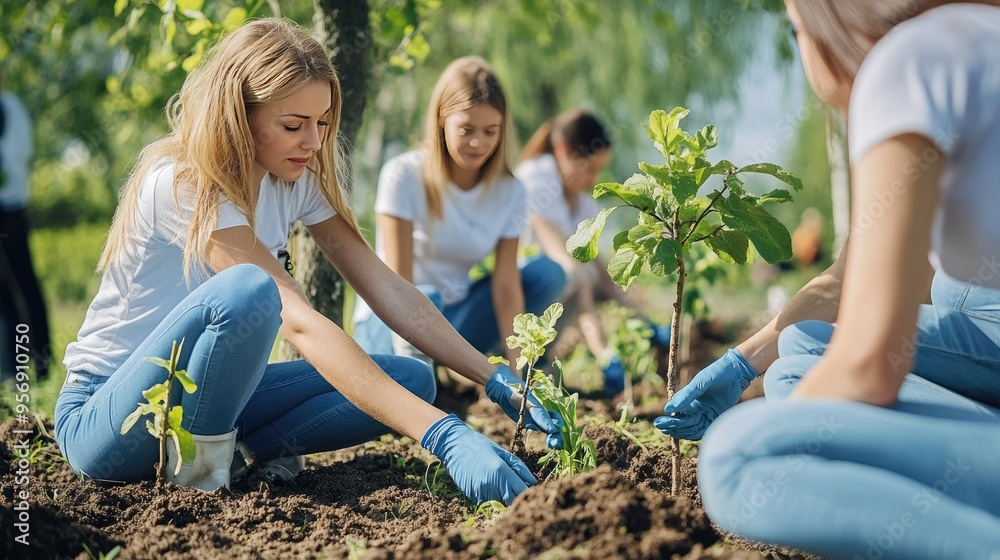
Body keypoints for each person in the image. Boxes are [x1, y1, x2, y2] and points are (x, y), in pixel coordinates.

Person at [53, 19, 564, 506]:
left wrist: (495, 376)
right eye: (294, 124)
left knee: (413, 381)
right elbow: (296, 320)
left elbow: (385, 287)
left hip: (207, 401)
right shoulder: (184, 182)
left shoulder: (291, 178)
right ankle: (202, 478)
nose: (315, 142)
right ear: (239, 114)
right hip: (110, 420)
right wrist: (444, 435)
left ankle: (233, 450)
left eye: (322, 123)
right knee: (249, 291)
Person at [656, 1, 1000, 557]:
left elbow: (869, 369)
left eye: (795, 30)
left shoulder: (906, 62)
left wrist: (784, 432)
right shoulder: (974, 38)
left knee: (738, 455)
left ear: (828, 21)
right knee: (800, 353)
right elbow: (853, 276)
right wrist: (744, 364)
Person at [351, 56, 566, 369]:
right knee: (424, 301)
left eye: (490, 132)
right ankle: (418, 374)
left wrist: (522, 377)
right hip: (389, 317)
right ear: (441, 120)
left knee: (548, 274)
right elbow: (400, 284)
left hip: (454, 319)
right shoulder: (403, 175)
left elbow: (506, 287)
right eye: (466, 129)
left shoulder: (511, 192)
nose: (477, 143)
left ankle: (443, 367)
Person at [516, 109, 668, 396]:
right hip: (521, 297)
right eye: (588, 168)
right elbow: (574, 270)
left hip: (560, 288)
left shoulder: (582, 204)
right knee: (572, 276)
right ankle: (529, 366)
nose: (592, 178)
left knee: (591, 276)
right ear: (562, 152)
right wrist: (602, 351)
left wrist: (647, 323)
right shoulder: (537, 177)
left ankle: (538, 368)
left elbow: (602, 275)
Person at [0, 68, 52, 381]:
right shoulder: (12, 107)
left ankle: (35, 364)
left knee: (20, 288)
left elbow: (13, 159)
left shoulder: (9, 109)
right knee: (12, 290)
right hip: (11, 209)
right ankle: (18, 368)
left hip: (8, 210)